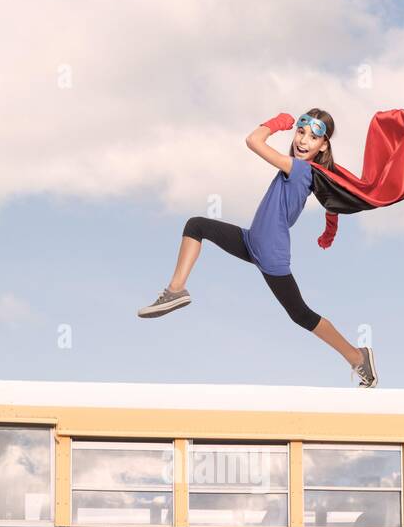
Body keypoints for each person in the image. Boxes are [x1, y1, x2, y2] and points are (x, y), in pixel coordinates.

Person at [140, 110, 379, 387]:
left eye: (313, 138)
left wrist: (277, 123)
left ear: (323, 145)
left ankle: (358, 357)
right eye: (300, 132)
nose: (303, 141)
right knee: (196, 226)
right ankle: (175, 291)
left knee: (301, 314)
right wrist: (330, 229)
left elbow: (253, 141)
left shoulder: (299, 168)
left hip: (270, 251)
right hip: (251, 241)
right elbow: (332, 200)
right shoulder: (310, 172)